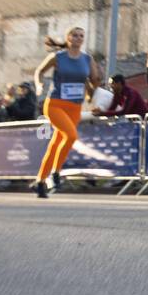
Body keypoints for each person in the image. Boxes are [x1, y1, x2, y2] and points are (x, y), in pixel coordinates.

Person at [30, 27, 103, 198]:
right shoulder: (58, 57)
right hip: (55, 105)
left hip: (75, 107)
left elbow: (94, 81)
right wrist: (40, 85)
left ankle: (40, 182)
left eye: (81, 36)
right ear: (68, 38)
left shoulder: (87, 59)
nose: (78, 38)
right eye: (74, 35)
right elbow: (39, 71)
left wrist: (96, 78)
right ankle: (56, 173)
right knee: (71, 136)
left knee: (55, 145)